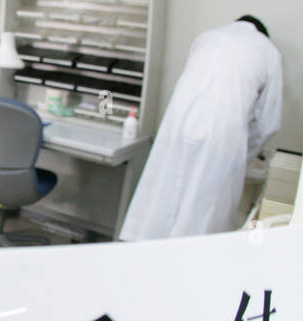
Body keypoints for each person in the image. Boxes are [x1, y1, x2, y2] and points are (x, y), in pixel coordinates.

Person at [119, 15, 282, 240]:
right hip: (222, 137)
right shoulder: (268, 50)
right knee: (202, 216)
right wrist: (244, 155)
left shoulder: (207, 37)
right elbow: (269, 123)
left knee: (161, 202)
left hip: (177, 126)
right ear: (261, 33)